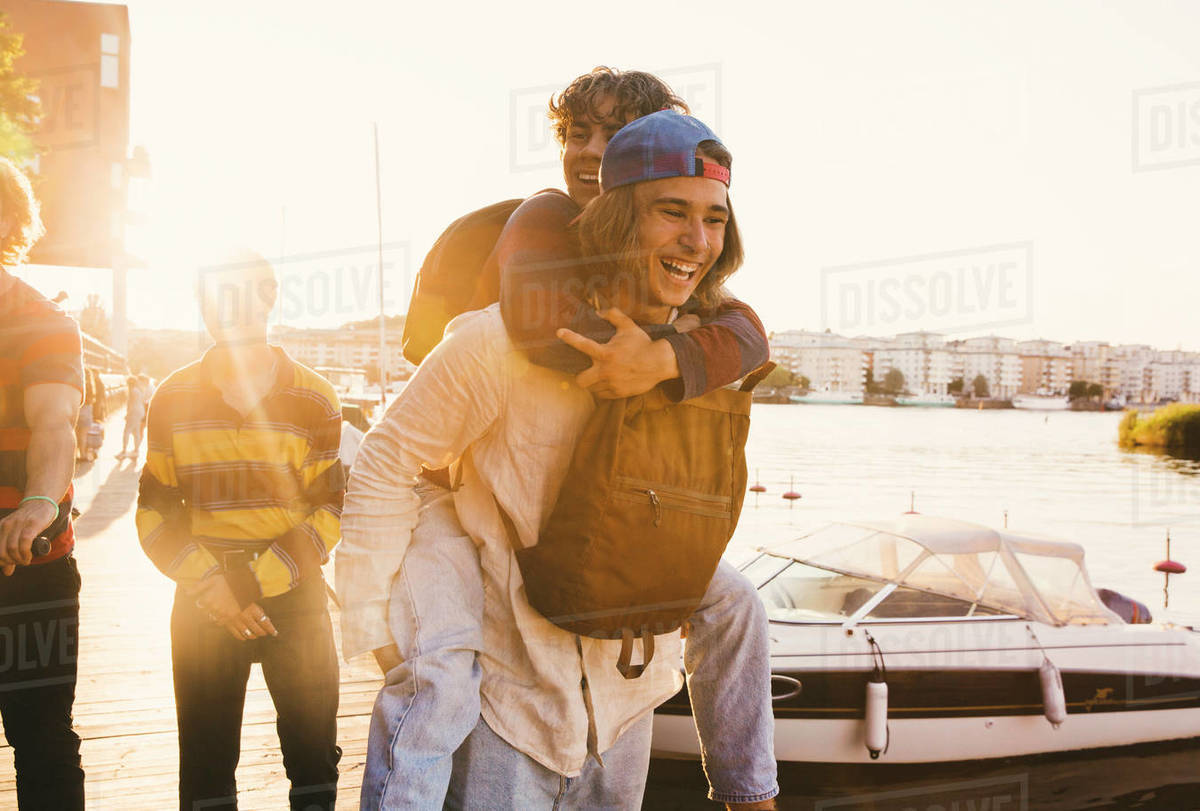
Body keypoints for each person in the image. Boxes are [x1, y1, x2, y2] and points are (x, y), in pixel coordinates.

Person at [349, 69, 777, 810]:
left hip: (623, 708)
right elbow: (388, 458)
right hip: (514, 704)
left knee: (740, 603)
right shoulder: (503, 330)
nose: (695, 239)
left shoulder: (695, 342)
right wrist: (369, 620)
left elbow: (745, 330)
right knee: (433, 675)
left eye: (711, 219)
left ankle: (753, 794)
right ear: (617, 206)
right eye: (670, 210)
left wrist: (667, 358)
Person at [135, 252, 344, 811]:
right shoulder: (171, 397)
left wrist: (248, 585)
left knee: (314, 760)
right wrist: (213, 585)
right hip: (203, 601)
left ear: (268, 298)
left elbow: (328, 510)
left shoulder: (315, 397)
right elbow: (155, 509)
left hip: (293, 598)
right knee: (205, 769)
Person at [0, 156, 87, 809]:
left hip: (30, 571)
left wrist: (37, 502)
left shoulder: (45, 323)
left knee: (44, 743)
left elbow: (55, 426)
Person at [118, 374, 149, 460]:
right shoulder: (139, 390)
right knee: (136, 431)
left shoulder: (133, 391)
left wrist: (127, 414)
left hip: (134, 412)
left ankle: (124, 450)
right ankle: (136, 450)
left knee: (126, 431)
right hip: (140, 411)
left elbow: (131, 404)